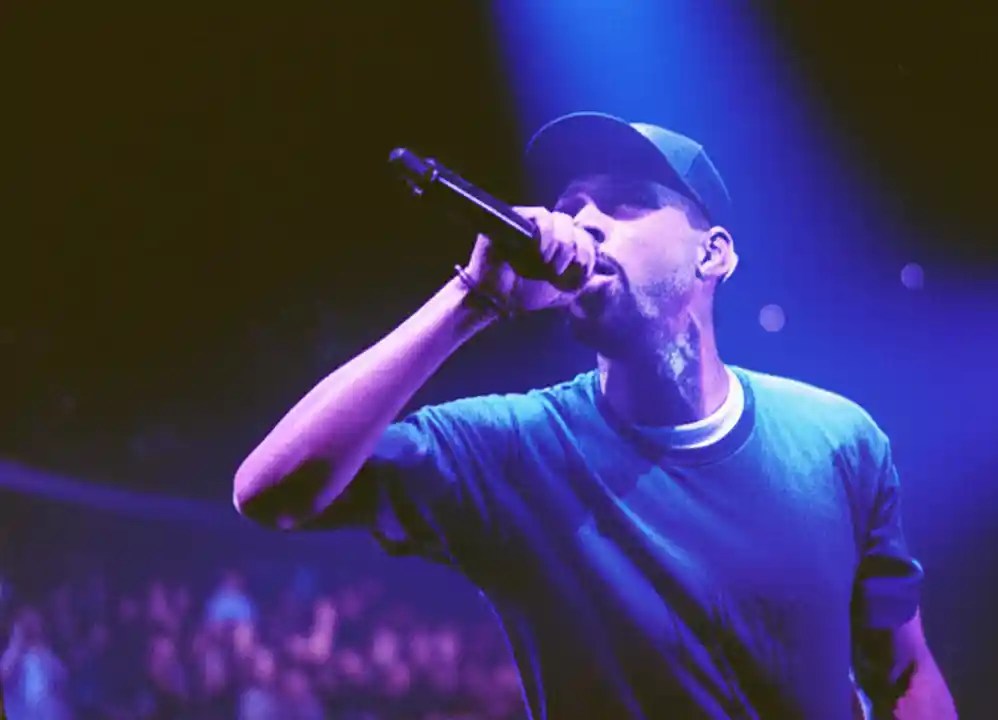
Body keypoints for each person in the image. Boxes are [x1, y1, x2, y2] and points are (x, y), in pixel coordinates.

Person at [234, 111, 956, 719]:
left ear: (714, 256)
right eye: (573, 204)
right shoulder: (514, 448)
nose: (583, 221)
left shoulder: (838, 440)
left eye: (626, 202)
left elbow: (902, 671)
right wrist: (470, 300)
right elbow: (270, 491)